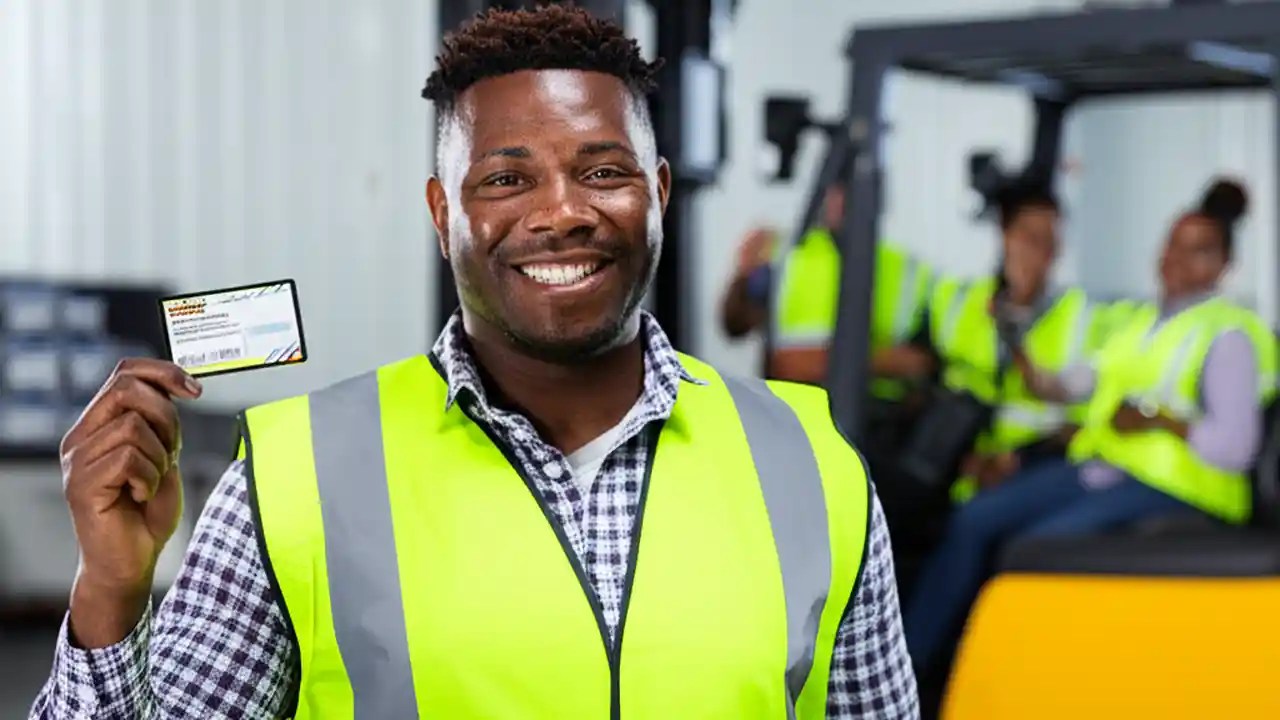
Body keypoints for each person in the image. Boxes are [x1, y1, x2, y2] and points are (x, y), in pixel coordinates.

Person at [30, 7, 918, 719]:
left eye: (603, 170)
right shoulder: (295, 475)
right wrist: (111, 593)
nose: (562, 211)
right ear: (440, 212)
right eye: (505, 179)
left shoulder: (812, 466)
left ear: (660, 191)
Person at [902, 178, 1278, 674]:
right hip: (1109, 471)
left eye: (1198, 252)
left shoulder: (1227, 336)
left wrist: (1158, 420)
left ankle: (1011, 679)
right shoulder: (1141, 325)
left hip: (1181, 490)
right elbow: (1061, 387)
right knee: (975, 516)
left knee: (1033, 546)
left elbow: (1235, 447)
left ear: (1224, 267)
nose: (1176, 260)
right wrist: (1015, 337)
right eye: (1171, 245)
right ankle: (907, 669)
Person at [768, 179, 934, 394]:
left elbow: (923, 362)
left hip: (887, 417)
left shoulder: (903, 266)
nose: (845, 203)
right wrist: (884, 360)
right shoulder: (798, 257)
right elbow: (794, 363)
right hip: (811, 415)